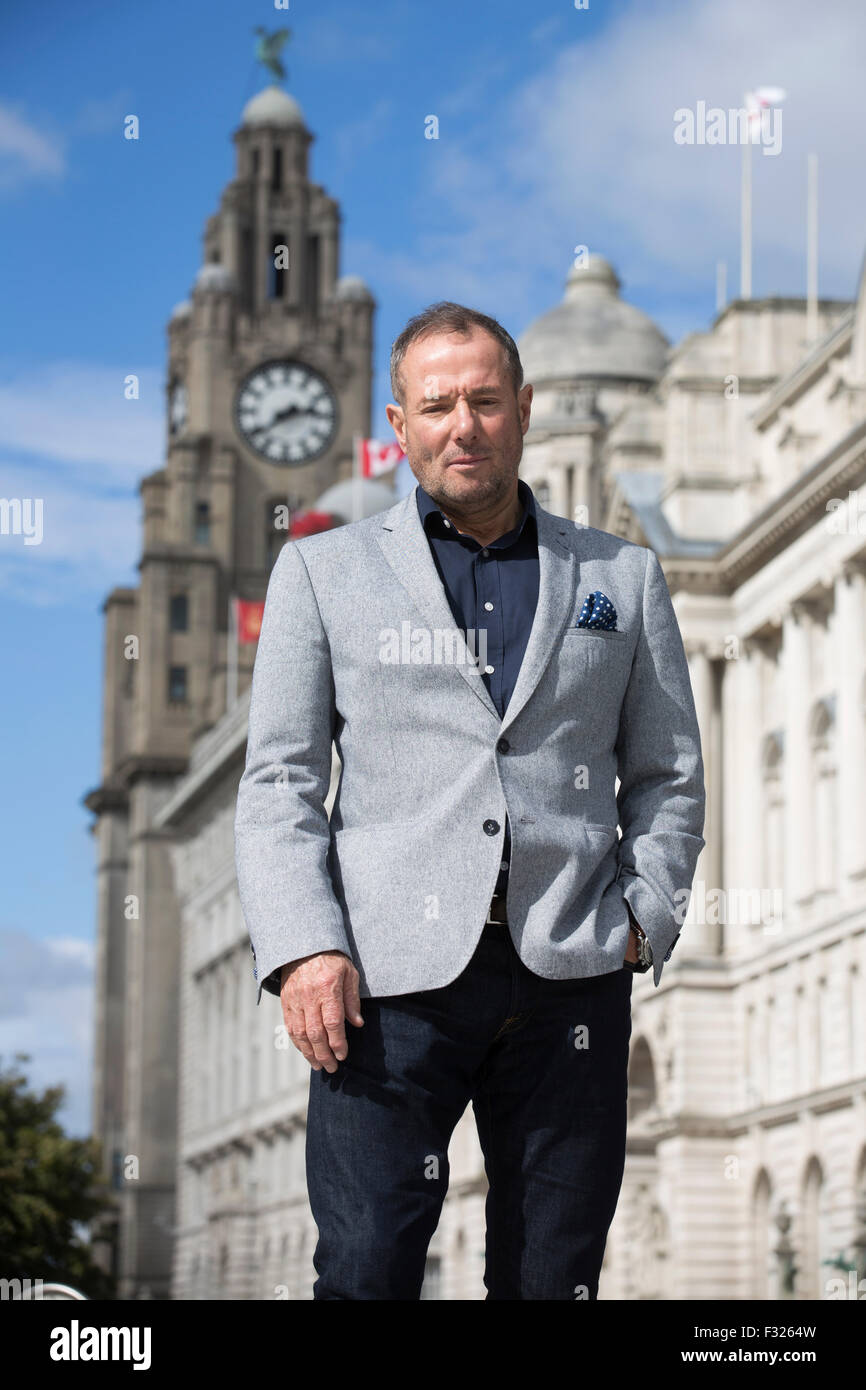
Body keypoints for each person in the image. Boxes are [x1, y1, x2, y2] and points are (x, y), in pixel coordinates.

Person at [234, 301, 706, 1299]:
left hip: (568, 971)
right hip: (384, 982)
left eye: (484, 401)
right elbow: (279, 781)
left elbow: (666, 770)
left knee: (551, 1275)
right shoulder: (321, 572)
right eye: (436, 405)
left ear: (522, 411)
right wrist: (302, 944)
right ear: (399, 428)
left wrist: (643, 916)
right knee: (365, 1270)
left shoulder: (620, 575)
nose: (463, 424)